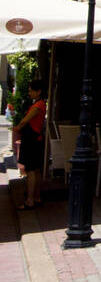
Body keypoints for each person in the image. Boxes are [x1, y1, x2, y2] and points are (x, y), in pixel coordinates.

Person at [13, 80, 46, 208]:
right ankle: (36, 197)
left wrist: (17, 128)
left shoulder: (38, 105)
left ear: (38, 92)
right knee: (36, 170)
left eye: (31, 90)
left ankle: (30, 200)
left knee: (31, 170)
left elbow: (25, 121)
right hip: (36, 139)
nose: (29, 92)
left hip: (31, 140)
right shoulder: (41, 104)